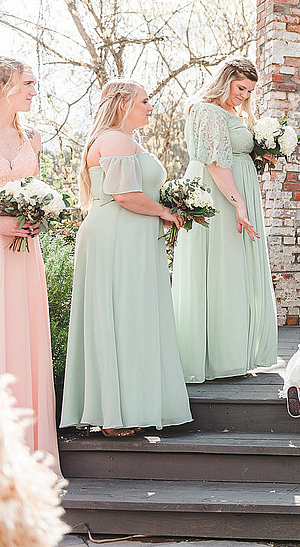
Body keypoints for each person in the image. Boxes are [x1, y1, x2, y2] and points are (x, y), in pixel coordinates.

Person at [60, 80, 192, 436]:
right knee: (121, 318)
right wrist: (165, 211)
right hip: (116, 237)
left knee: (133, 319)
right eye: (145, 101)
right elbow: (125, 195)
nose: (151, 107)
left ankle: (132, 404)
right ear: (123, 104)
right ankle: (113, 413)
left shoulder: (128, 140)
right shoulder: (115, 140)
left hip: (131, 237)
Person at [172, 58, 278, 383]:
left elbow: (234, 153)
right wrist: (239, 205)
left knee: (235, 270)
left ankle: (234, 352)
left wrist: (260, 154)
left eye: (248, 91)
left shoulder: (234, 113)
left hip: (236, 193)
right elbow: (216, 163)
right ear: (225, 80)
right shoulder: (207, 110)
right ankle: (212, 358)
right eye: (240, 88)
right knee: (220, 267)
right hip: (220, 198)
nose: (243, 96)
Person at [0, 57, 58, 466]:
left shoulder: (32, 138)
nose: (34, 90)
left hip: (24, 255)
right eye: (28, 83)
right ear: (5, 86)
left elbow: (35, 188)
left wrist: (38, 212)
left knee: (24, 336)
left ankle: (29, 458)